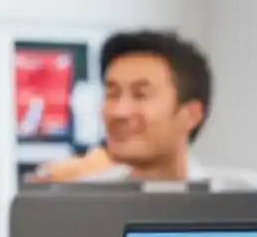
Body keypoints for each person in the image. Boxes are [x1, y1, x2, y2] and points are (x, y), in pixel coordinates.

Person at [81, 30, 212, 182]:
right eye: (112, 94)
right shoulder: (84, 190)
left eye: (140, 95)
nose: (119, 112)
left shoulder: (226, 194)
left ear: (190, 115)